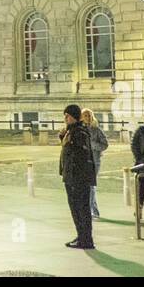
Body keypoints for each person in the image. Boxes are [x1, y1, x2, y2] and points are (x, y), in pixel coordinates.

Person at [60, 104, 96, 249]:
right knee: (76, 209)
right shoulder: (72, 132)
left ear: (74, 117)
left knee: (81, 209)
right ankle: (81, 236)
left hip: (78, 177)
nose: (65, 119)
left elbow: (80, 155)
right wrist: (62, 137)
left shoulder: (79, 133)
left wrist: (68, 141)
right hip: (72, 176)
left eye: (67, 116)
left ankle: (86, 239)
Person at [80, 109, 110, 218]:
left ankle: (89, 211)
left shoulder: (96, 130)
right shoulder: (80, 130)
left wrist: (93, 145)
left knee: (91, 186)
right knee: (86, 186)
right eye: (85, 115)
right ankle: (94, 211)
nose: (87, 117)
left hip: (94, 161)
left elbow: (105, 144)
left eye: (89, 115)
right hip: (82, 161)